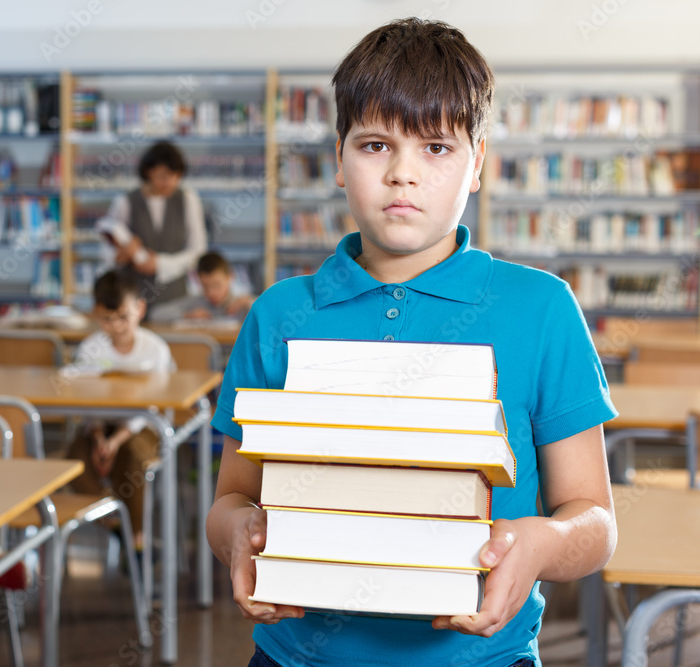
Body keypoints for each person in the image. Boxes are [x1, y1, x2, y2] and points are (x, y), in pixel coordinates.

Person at [206, 18, 617, 667]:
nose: (402, 172)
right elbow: (231, 496)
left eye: (435, 147)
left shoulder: (541, 309)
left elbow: (594, 520)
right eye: (374, 145)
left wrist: (539, 543)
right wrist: (237, 533)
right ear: (338, 158)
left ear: (477, 162)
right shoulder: (277, 313)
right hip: (295, 656)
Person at [65, 270, 176, 549]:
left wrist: (115, 441)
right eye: (107, 319)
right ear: (95, 314)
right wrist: (99, 436)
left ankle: (137, 539)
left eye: (122, 317)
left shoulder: (154, 350)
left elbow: (152, 406)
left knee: (133, 456)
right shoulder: (90, 349)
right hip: (101, 423)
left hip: (143, 425)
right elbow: (86, 398)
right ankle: (113, 521)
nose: (115, 326)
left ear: (139, 309)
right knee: (75, 459)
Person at [95, 140, 208, 309]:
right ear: (148, 172)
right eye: (162, 176)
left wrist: (159, 264)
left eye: (176, 176)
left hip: (175, 299)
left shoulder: (188, 199)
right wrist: (121, 254)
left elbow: (198, 251)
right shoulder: (125, 202)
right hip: (133, 300)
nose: (169, 182)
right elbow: (107, 253)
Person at [150, 251, 255, 323]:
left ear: (230, 277)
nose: (211, 292)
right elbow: (155, 314)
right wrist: (187, 316)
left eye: (217, 284)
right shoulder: (196, 302)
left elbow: (268, 316)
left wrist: (250, 302)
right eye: (205, 286)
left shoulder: (243, 304)